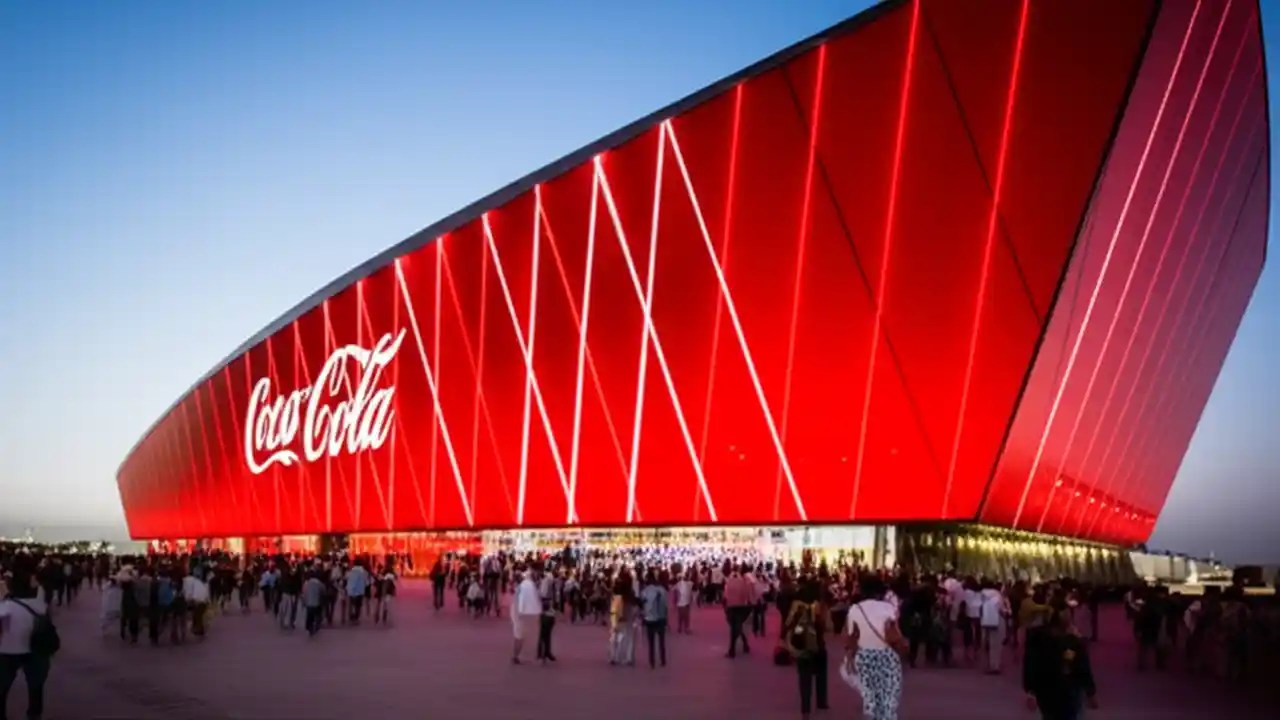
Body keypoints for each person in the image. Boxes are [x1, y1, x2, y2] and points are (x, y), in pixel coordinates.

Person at [846, 575, 903, 720]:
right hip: (887, 656)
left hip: (864, 656)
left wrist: (849, 658)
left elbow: (852, 637)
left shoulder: (855, 609)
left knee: (870, 699)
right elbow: (895, 633)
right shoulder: (888, 608)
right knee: (889, 700)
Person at [1023, 609, 1097, 719]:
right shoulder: (1073, 643)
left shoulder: (1037, 641)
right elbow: (1082, 667)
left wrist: (1030, 690)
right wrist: (1090, 691)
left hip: (1046, 691)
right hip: (1068, 691)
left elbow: (1030, 666)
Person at [0, 574, 53, 720]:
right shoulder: (39, 606)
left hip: (7, 652)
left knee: (2, 687)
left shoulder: (5, 608)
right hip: (36, 650)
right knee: (36, 686)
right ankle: (34, 713)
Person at [784, 579, 830, 719]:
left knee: (804, 678)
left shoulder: (796, 604)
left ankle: (805, 710)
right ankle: (821, 701)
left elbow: (788, 622)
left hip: (801, 644)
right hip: (818, 644)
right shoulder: (820, 605)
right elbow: (826, 626)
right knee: (821, 673)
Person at [723, 564, 755, 658]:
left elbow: (726, 595)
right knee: (739, 626)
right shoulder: (747, 580)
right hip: (743, 606)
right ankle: (744, 645)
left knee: (734, 628)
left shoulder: (730, 580)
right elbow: (750, 594)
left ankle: (732, 649)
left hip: (733, 606)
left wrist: (725, 608)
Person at [511, 567, 541, 664]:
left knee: (519, 636)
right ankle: (516, 656)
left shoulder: (522, 587)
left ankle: (516, 655)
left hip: (518, 615)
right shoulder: (526, 586)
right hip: (519, 615)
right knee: (519, 636)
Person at [639, 570, 668, 668]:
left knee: (651, 642)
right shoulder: (661, 590)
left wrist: (642, 615)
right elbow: (665, 605)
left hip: (649, 618)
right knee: (661, 641)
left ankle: (652, 661)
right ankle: (662, 660)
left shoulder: (645, 591)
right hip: (660, 618)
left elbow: (642, 604)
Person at [979, 580, 1008, 673]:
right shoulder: (998, 595)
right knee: (996, 644)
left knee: (986, 643)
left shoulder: (981, 595)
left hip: (985, 620)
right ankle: (995, 666)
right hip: (997, 621)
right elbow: (1002, 609)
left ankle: (987, 664)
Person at [536, 567, 557, 663]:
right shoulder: (546, 579)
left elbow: (542, 594)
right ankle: (543, 653)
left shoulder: (546, 579)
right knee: (544, 633)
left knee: (544, 633)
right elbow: (543, 595)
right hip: (545, 610)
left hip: (546, 609)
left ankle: (544, 652)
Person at [302, 571, 325, 636]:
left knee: (309, 615)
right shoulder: (320, 583)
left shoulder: (306, 583)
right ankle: (316, 626)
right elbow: (323, 592)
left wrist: (304, 601)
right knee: (318, 615)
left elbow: (304, 593)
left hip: (308, 603)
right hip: (317, 603)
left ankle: (309, 627)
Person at [674, 570, 694, 634]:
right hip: (686, 603)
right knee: (686, 616)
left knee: (680, 616)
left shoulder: (678, 584)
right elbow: (690, 594)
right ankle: (686, 628)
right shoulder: (689, 584)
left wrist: (675, 601)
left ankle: (680, 627)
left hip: (680, 603)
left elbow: (675, 593)